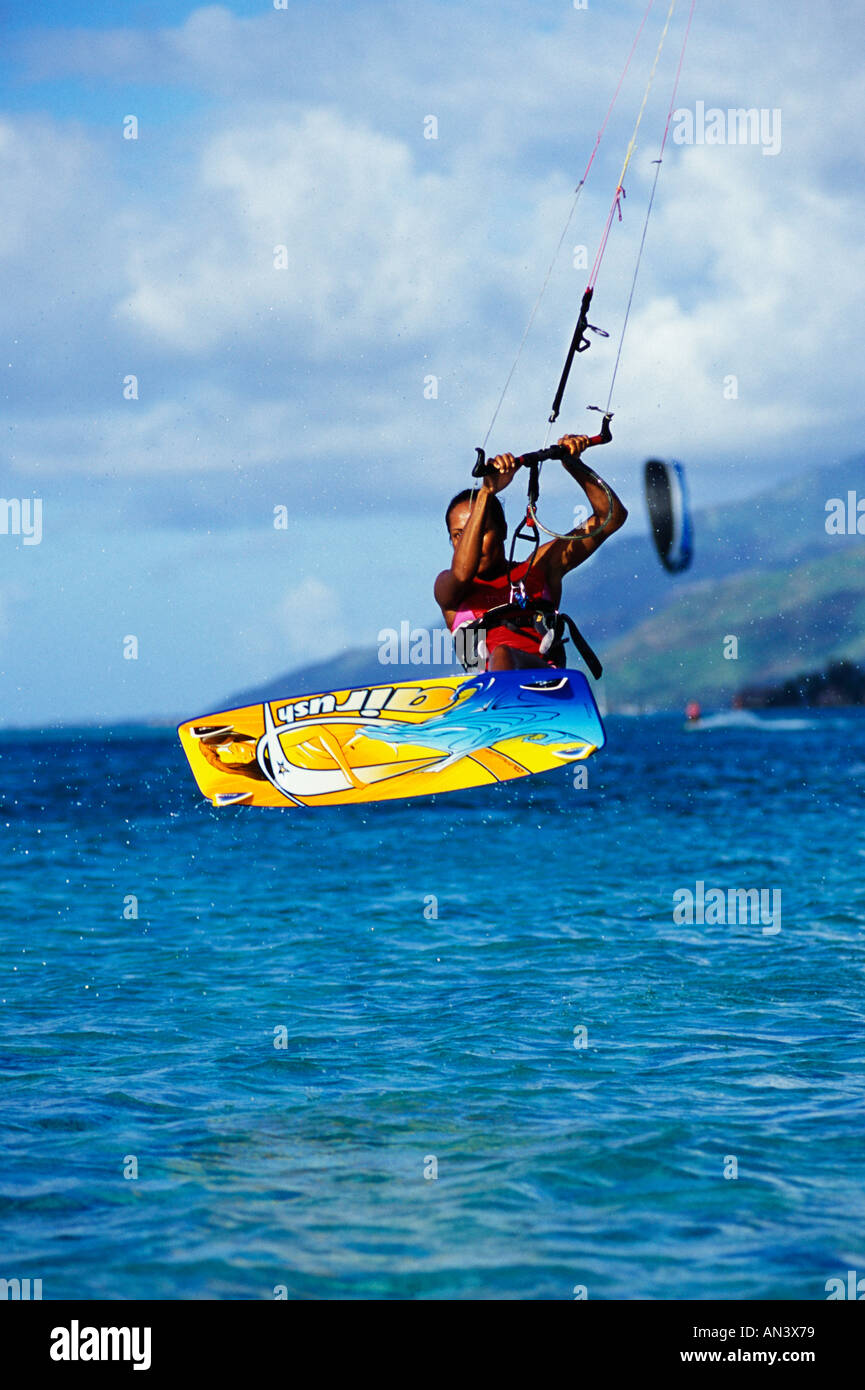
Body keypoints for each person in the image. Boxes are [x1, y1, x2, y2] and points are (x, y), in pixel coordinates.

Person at [434, 434, 627, 672]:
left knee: (503, 654)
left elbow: (611, 517)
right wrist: (486, 493)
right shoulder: (448, 588)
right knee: (501, 655)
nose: (469, 542)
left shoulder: (540, 567)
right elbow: (463, 571)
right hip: (487, 691)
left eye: (481, 530)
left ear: (503, 530)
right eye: (458, 535)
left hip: (544, 682)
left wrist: (573, 464)